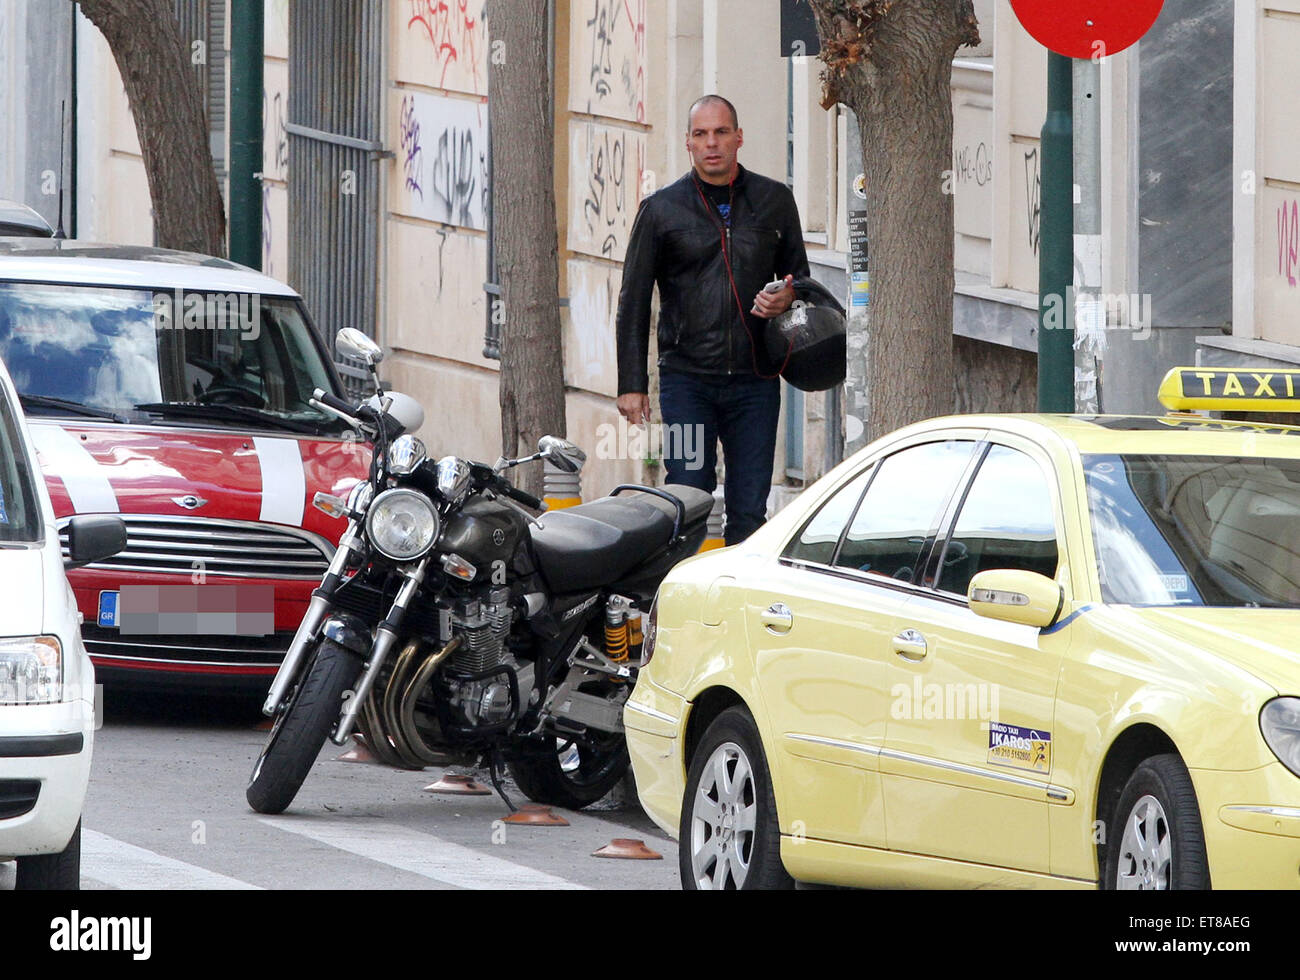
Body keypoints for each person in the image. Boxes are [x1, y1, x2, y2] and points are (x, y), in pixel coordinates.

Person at [615, 95, 809, 545]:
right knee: (686, 496)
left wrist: (788, 296)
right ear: (688, 144)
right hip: (686, 379)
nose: (712, 143)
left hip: (755, 379)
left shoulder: (774, 201)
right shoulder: (662, 209)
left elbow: (799, 277)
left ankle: (736, 607)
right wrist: (631, 383)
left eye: (721, 132)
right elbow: (634, 298)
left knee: (749, 508)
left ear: (739, 138)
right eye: (701, 135)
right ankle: (679, 600)